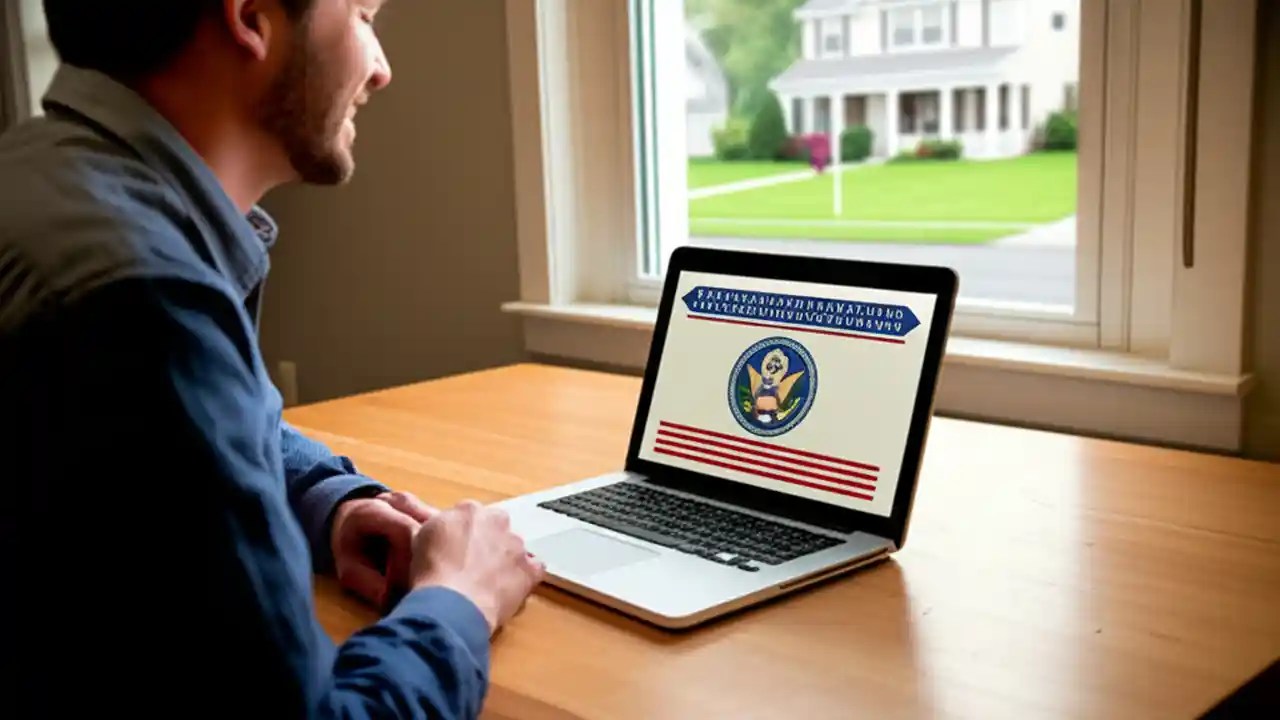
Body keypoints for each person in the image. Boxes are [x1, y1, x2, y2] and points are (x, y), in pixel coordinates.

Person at [0, 1, 544, 717]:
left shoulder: (38, 186)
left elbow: (185, 433)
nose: (381, 70)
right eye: (362, 15)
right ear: (251, 16)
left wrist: (331, 503)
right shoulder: (139, 297)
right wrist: (461, 596)